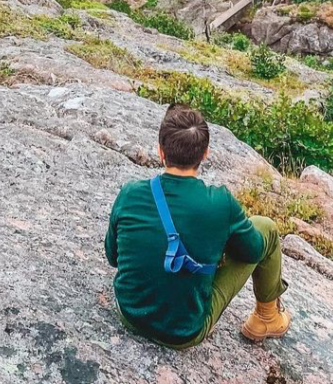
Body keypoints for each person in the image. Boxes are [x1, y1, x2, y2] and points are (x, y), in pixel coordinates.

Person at [105, 103, 290, 348]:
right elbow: (254, 252)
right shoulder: (220, 202)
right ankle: (266, 317)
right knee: (264, 227)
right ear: (205, 154)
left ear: (161, 152)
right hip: (184, 332)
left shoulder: (130, 193)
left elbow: (113, 257)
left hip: (129, 314)